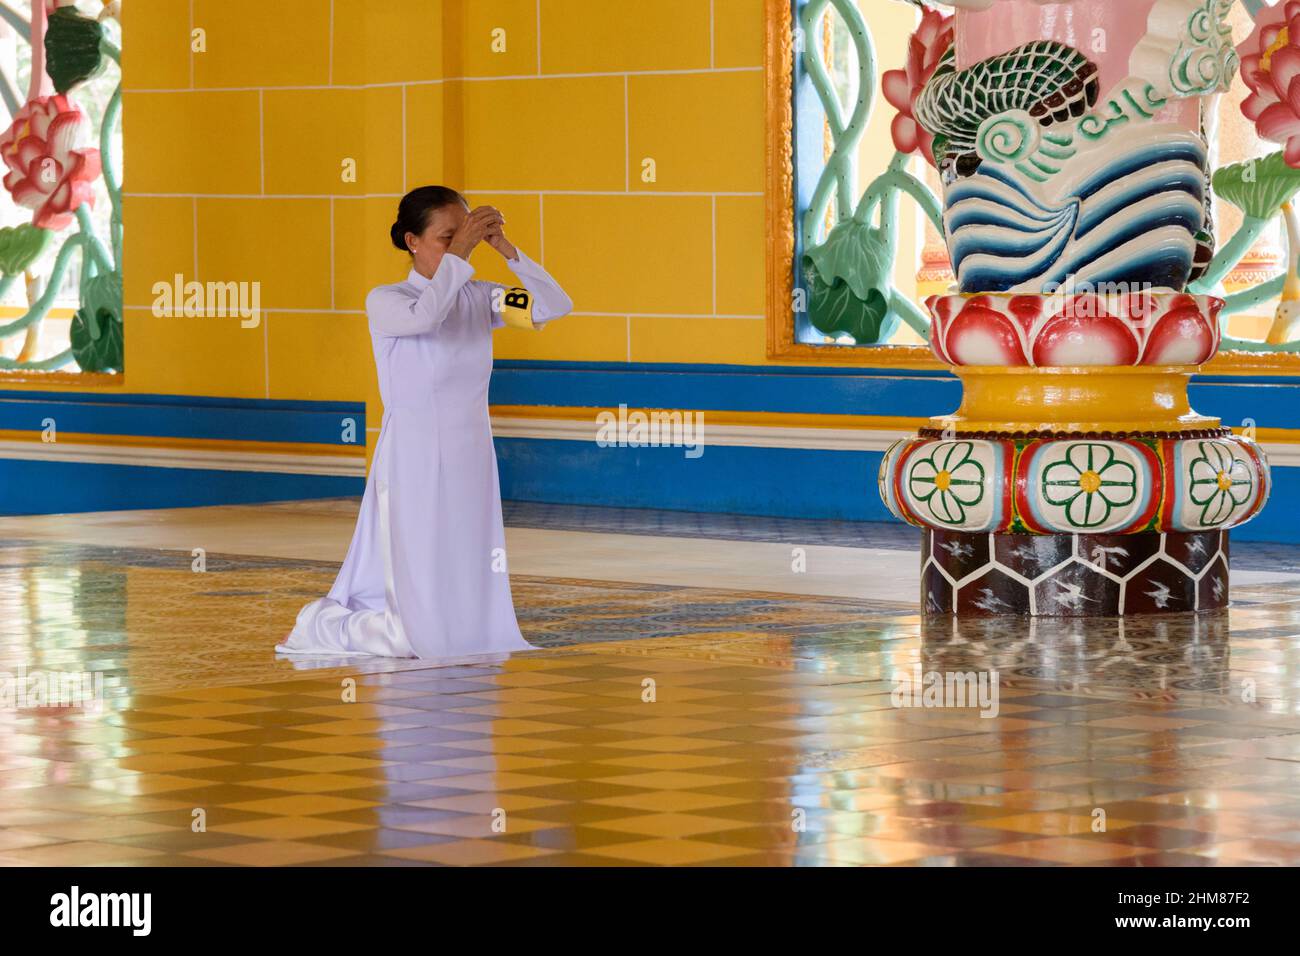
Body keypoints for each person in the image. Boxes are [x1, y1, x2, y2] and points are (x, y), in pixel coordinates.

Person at [276, 186, 573, 660]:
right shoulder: (388, 300)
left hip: (471, 452)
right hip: (410, 455)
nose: (461, 246)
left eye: (466, 235)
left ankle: (463, 628)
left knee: (467, 553)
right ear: (413, 241)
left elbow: (555, 306)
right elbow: (428, 317)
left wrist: (506, 250)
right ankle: (342, 626)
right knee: (419, 562)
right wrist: (462, 253)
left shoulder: (482, 299)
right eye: (448, 237)